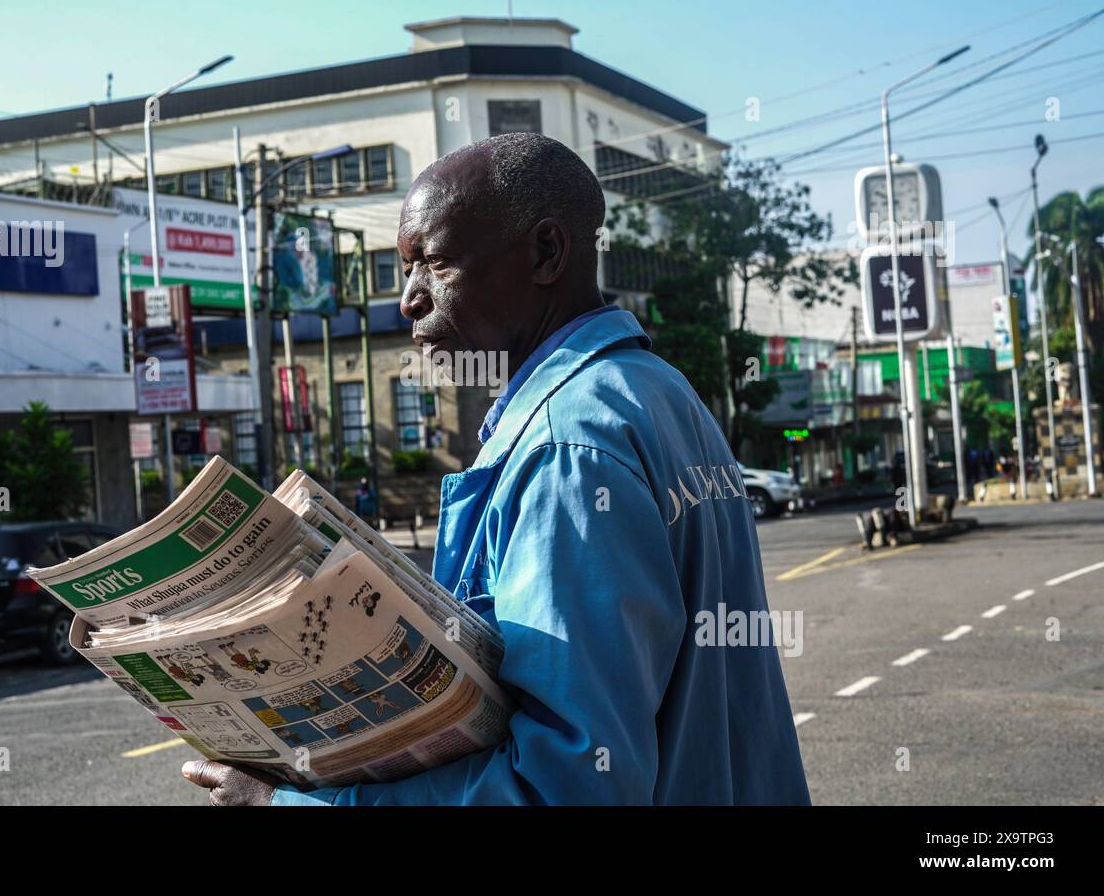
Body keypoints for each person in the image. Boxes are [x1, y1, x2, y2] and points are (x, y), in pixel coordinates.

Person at [183, 133, 810, 805]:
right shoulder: (657, 390)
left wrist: (290, 803)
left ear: (545, 252)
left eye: (436, 263)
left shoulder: (564, 447)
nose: (410, 299)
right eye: (404, 269)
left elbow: (565, 787)